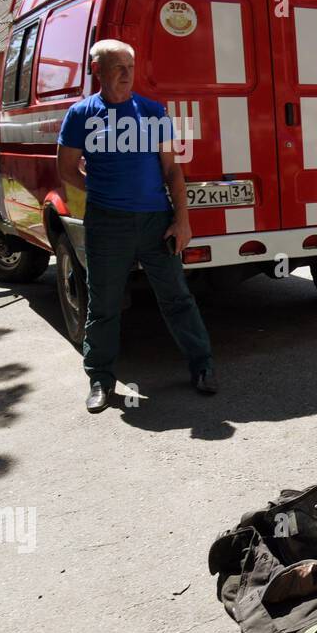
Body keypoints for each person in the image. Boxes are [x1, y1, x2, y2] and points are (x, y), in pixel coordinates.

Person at [56, 39, 216, 414]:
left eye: (131, 66)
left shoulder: (151, 111)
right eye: (118, 67)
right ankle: (100, 378)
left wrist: (182, 220)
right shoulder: (80, 115)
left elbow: (173, 169)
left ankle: (203, 366)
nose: (127, 75)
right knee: (104, 304)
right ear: (98, 70)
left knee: (177, 297)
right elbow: (65, 169)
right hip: (105, 224)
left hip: (155, 222)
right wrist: (102, 190)